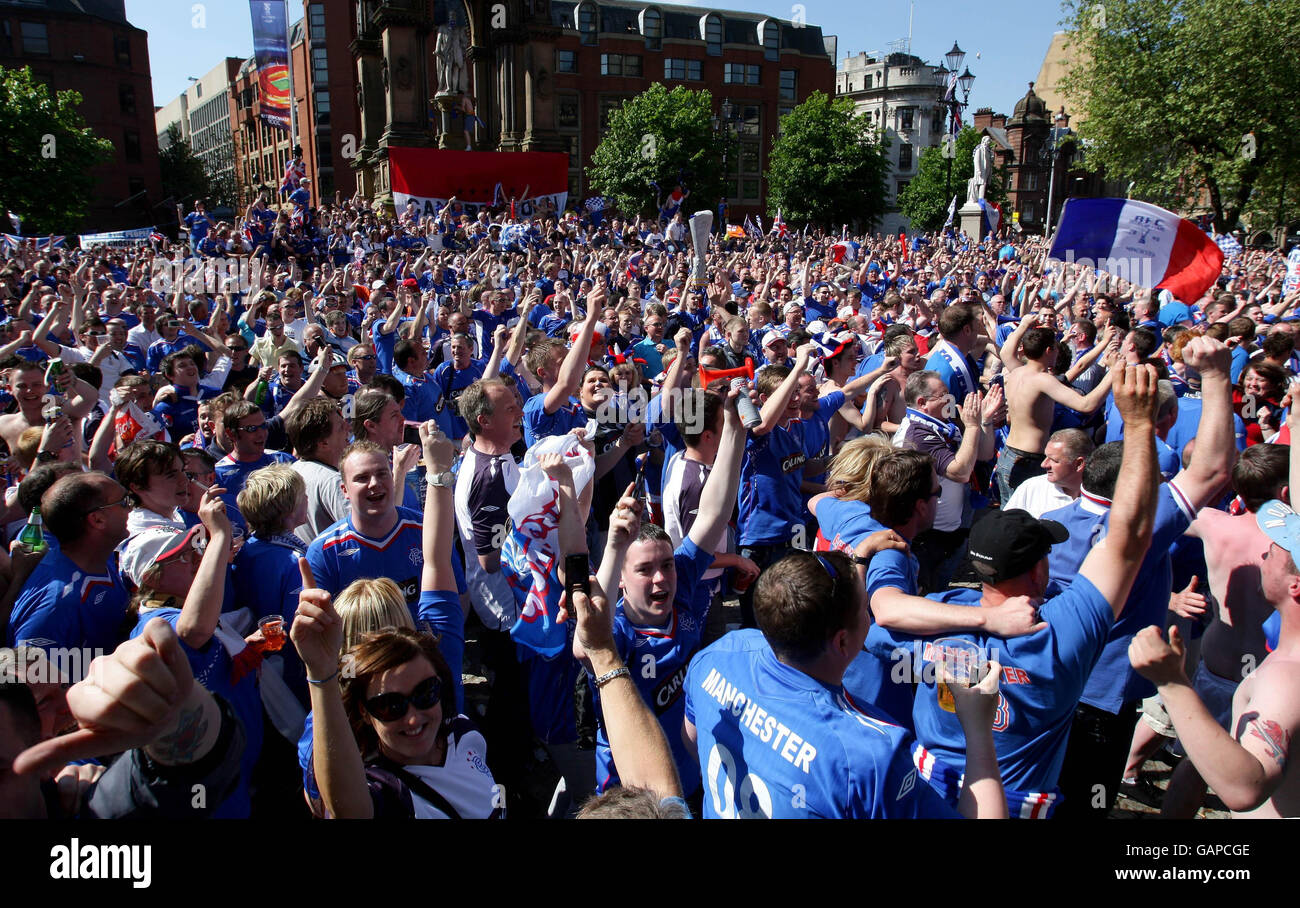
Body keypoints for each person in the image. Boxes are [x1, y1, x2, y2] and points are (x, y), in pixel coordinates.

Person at [1045, 336, 1236, 817]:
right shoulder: (1134, 535)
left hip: (1047, 684)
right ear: (1142, 491)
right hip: (1102, 703)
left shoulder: (1043, 521)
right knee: (1089, 804)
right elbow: (1213, 470)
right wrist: (1215, 376)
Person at [682, 540, 1008, 818]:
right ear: (841, 642)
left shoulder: (719, 654)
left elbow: (693, 738)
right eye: (865, 608)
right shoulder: (871, 755)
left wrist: (859, 561)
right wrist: (978, 729)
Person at [1128, 489, 1300, 817]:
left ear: (1296, 584)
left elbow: (1245, 788)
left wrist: (1172, 683)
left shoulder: (1287, 677)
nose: (1263, 555)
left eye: (1274, 549)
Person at [6, 618, 248, 819]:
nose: (66, 701)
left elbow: (191, 796)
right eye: (44, 701)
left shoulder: (83, 801)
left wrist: (176, 714)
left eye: (62, 686)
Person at [6, 472, 132, 660]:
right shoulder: (56, 603)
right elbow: (28, 679)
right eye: (124, 502)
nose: (131, 507)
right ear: (97, 520)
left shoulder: (98, 557)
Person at [305, 440, 425, 618]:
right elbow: (321, 625)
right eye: (362, 478)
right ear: (345, 490)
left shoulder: (426, 530)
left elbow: (455, 596)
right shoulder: (324, 552)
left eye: (382, 474)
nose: (374, 483)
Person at [997, 321, 1114, 501]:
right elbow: (1086, 405)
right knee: (1025, 521)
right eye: (1057, 348)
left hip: (1009, 455)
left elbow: (1005, 351)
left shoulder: (1017, 371)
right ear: (1049, 351)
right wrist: (1113, 373)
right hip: (1028, 461)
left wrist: (1025, 324)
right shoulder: (1042, 380)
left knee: (1010, 517)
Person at [287, 397, 351, 544]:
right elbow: (361, 533)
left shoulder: (293, 471)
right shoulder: (332, 481)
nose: (348, 428)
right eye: (341, 427)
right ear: (323, 443)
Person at [1002, 428, 1094, 519]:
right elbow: (1007, 527)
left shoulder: (1101, 495)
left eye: (1054, 460)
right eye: (1045, 457)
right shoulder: (1032, 487)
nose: (1043, 464)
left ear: (1078, 464)